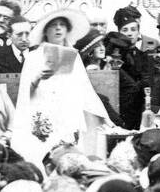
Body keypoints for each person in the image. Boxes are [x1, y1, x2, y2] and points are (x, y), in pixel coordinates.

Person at [9, 9, 110, 164]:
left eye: (62, 25)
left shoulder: (73, 57)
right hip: (43, 114)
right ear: (45, 31)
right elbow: (25, 94)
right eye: (54, 25)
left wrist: (104, 116)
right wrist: (38, 78)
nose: (58, 28)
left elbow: (85, 90)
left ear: (67, 30)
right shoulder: (33, 57)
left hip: (67, 113)